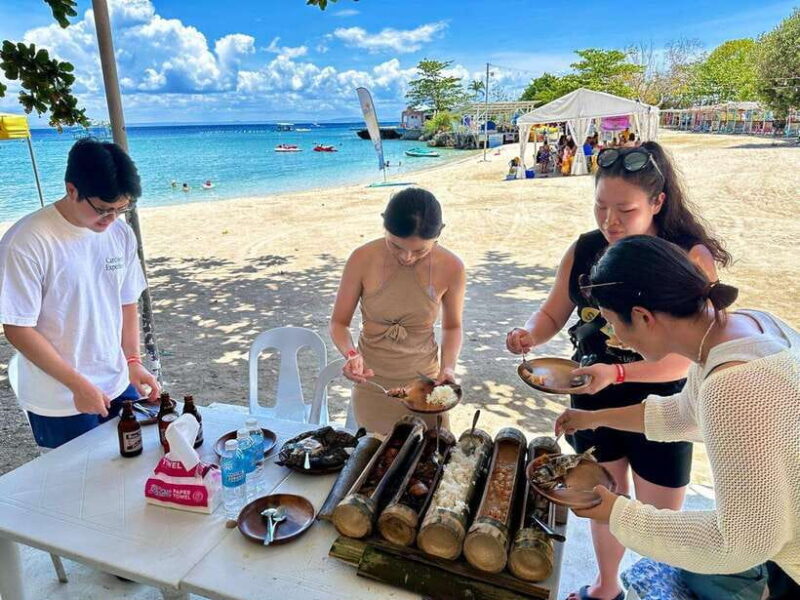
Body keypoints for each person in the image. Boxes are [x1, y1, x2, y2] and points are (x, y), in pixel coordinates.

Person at [506, 142, 731, 600]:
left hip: (666, 401)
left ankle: (652, 588)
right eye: (600, 207)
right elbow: (552, 312)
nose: (609, 222)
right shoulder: (587, 250)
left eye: (624, 210)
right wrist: (530, 333)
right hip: (590, 392)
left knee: (659, 517)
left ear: (657, 202)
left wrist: (620, 373)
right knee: (600, 498)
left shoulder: (686, 258)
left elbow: (690, 351)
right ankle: (606, 587)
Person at [556, 235, 800, 600]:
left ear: (642, 317)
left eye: (612, 323)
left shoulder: (734, 384)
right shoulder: (742, 326)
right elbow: (685, 415)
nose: (615, 338)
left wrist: (617, 513)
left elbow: (740, 544)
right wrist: (594, 418)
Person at [0, 138, 160, 449]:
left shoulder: (119, 233)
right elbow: (18, 328)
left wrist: (133, 360)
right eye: (102, 209)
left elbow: (127, 302)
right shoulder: (27, 241)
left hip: (117, 381)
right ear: (72, 189)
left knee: (132, 471)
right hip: (59, 396)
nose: (111, 218)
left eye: (121, 208)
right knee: (78, 490)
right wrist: (77, 384)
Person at [330, 187, 466, 434]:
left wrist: (448, 368)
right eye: (396, 246)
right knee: (373, 457)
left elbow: (452, 326)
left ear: (438, 235)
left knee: (429, 457)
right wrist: (350, 354)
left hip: (424, 386)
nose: (407, 258)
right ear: (384, 225)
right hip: (372, 382)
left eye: (420, 250)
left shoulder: (452, 267)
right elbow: (339, 323)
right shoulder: (362, 258)